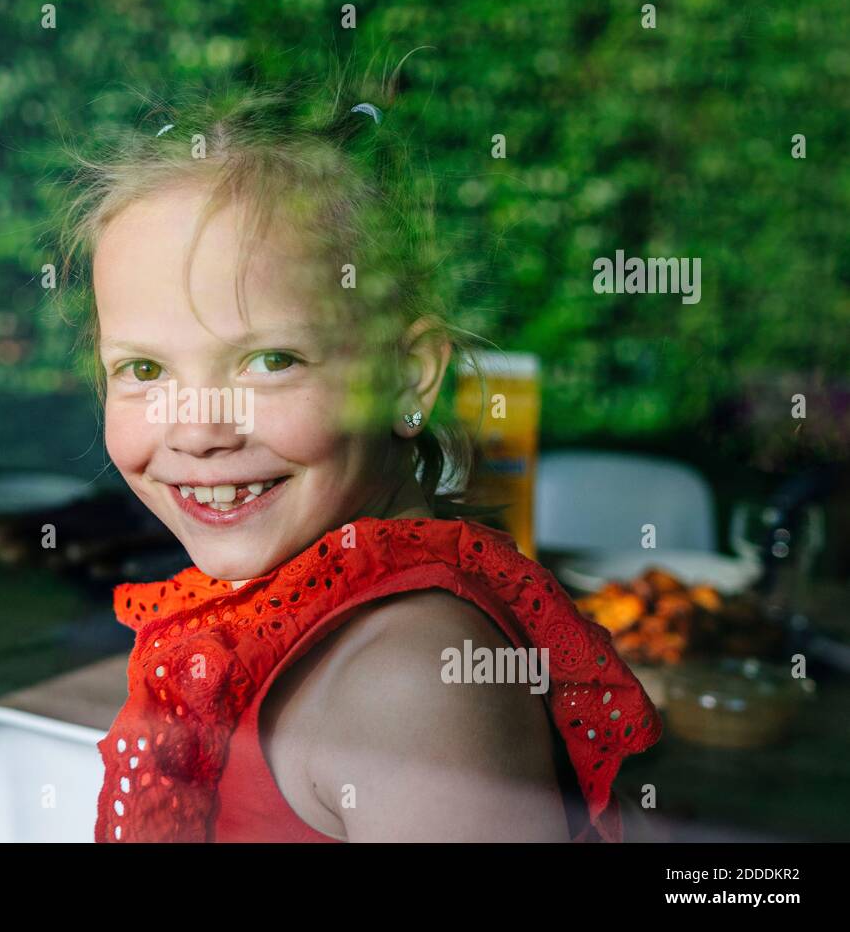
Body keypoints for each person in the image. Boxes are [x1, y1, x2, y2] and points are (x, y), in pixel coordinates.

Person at [55, 66, 662, 842]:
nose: (199, 429)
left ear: (408, 377)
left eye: (271, 360)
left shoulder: (410, 678)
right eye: (143, 370)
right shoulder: (275, 621)